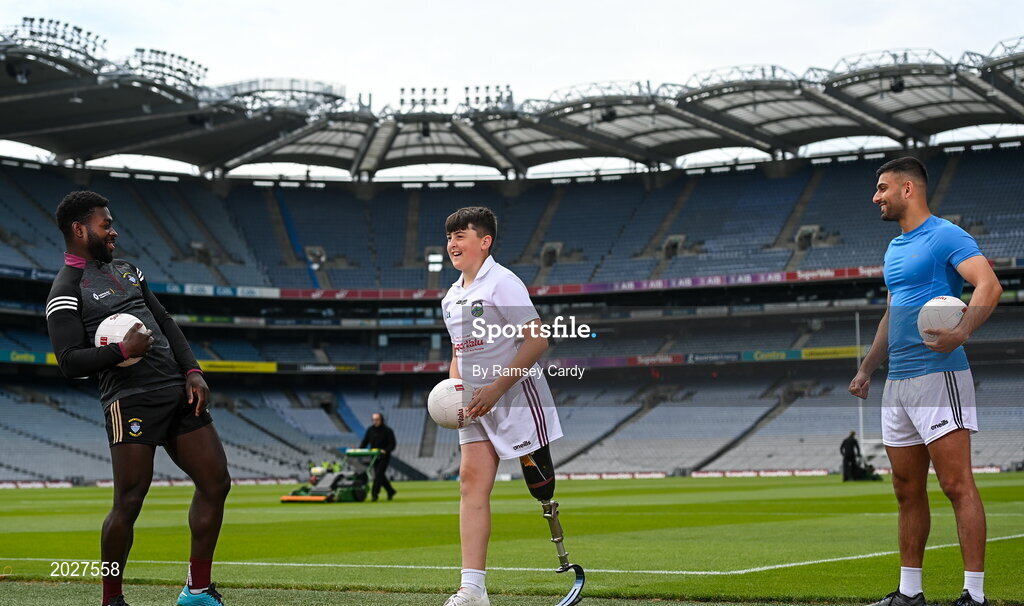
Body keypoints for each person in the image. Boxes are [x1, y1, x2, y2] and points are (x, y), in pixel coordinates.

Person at [46, 191, 230, 606]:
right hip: (129, 401)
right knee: (128, 503)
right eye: (104, 224)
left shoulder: (129, 271)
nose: (113, 231)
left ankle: (197, 591)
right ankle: (112, 599)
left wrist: (194, 371)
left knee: (216, 482)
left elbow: (164, 322)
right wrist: (122, 352)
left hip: (177, 391)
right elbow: (69, 361)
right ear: (79, 230)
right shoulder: (65, 288)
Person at [848, 158, 1001, 606]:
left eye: (882, 188)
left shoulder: (945, 235)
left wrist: (962, 331)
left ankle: (974, 595)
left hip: (940, 376)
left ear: (908, 189)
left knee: (956, 485)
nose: (876, 197)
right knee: (906, 489)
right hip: (899, 384)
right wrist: (867, 368)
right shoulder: (894, 249)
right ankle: (910, 594)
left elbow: (988, 285)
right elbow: (891, 316)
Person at [440, 207, 564, 606]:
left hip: (513, 395)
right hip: (475, 402)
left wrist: (496, 388)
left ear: (484, 241)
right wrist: (453, 390)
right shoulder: (450, 297)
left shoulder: (503, 283)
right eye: (449, 238)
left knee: (541, 485)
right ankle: (473, 588)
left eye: (461, 236)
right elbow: (458, 353)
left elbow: (536, 340)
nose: (452, 244)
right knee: (470, 483)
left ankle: (559, 541)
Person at [359, 412, 397, 501]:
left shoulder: (388, 431)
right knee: (380, 476)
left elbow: (392, 444)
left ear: (381, 420)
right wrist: (359, 449)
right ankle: (390, 491)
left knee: (378, 476)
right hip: (374, 456)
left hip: (384, 457)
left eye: (377, 420)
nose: (375, 421)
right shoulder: (370, 430)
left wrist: (386, 450)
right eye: (373, 420)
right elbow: (365, 442)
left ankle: (374, 494)